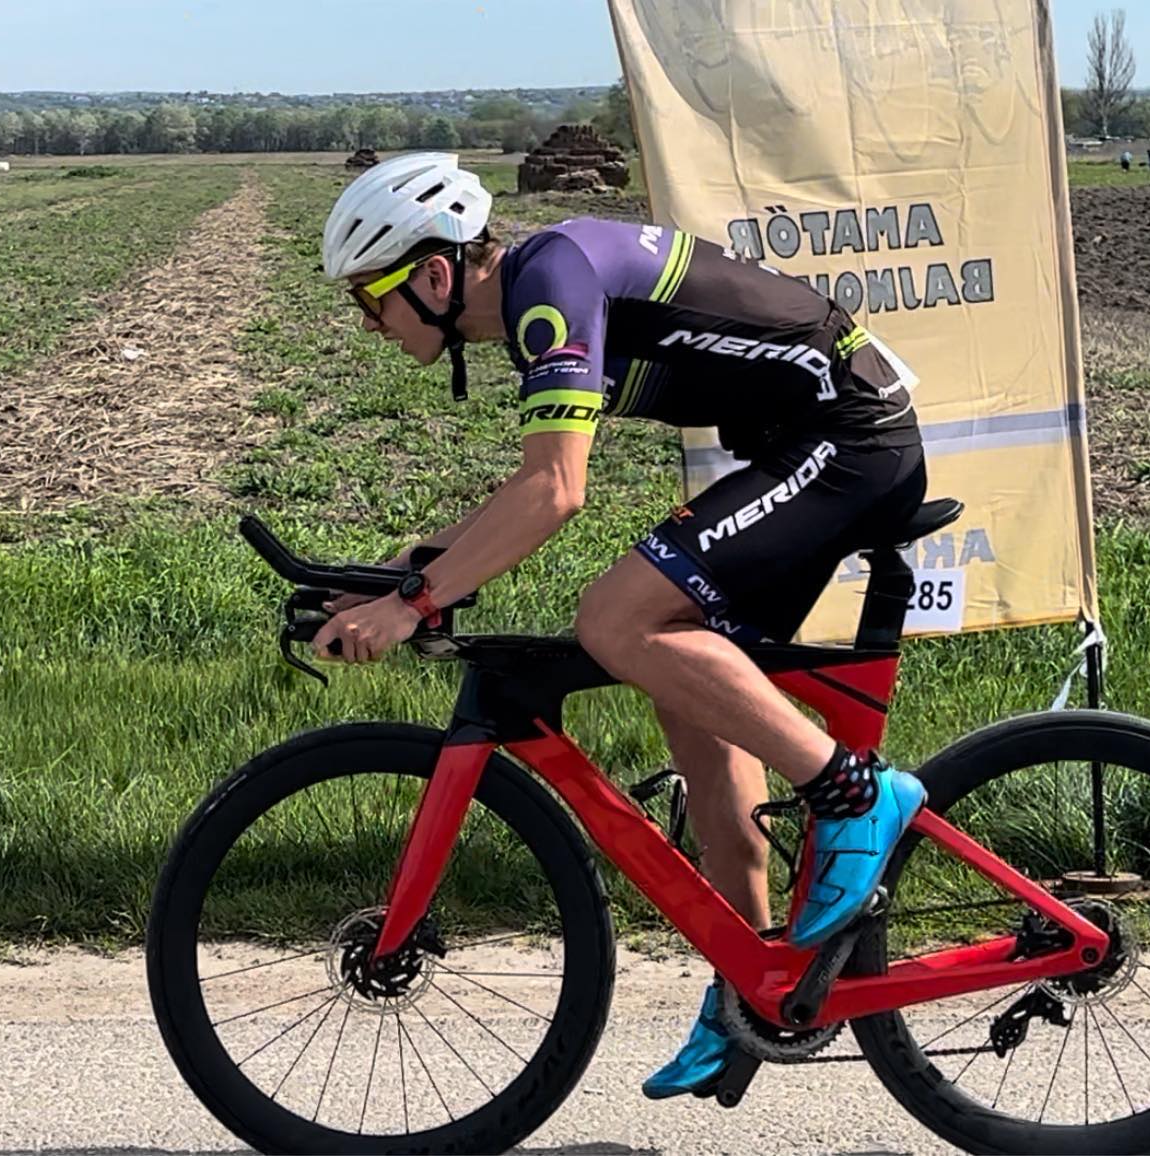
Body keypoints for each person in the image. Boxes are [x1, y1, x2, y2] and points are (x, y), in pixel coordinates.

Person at [312, 152, 928, 1099]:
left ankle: (855, 795)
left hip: (849, 439)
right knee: (690, 690)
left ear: (433, 276)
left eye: (372, 300)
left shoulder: (549, 282)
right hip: (808, 441)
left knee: (615, 618)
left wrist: (411, 607)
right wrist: (421, 565)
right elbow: (532, 487)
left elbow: (556, 490)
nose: (370, 326)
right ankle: (752, 988)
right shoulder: (532, 300)